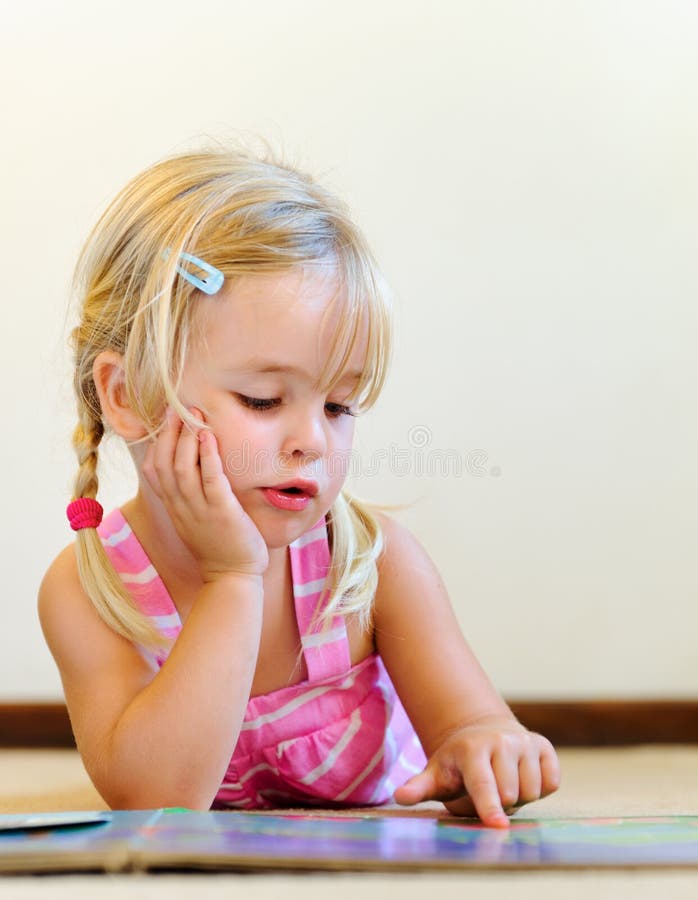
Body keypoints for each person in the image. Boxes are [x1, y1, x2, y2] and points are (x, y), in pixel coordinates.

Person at [39, 146, 560, 826]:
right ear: (127, 395)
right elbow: (155, 802)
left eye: (339, 407)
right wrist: (233, 578)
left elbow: (468, 729)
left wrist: (485, 751)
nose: (312, 440)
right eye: (262, 400)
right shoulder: (89, 590)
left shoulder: (371, 563)